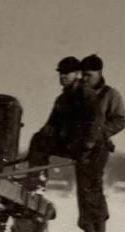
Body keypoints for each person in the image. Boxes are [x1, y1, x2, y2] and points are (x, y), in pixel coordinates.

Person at [74, 54, 125, 232]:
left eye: (88, 75)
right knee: (82, 189)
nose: (85, 79)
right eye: (83, 75)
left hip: (98, 148)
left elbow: (120, 119)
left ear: (99, 73)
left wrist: (101, 132)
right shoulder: (80, 93)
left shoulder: (110, 95)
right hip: (81, 148)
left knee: (93, 188)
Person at [25, 56, 96, 193]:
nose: (62, 76)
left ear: (77, 74)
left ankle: (37, 179)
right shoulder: (62, 99)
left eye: (66, 73)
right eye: (60, 73)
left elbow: (95, 119)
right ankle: (37, 179)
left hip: (83, 144)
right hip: (68, 141)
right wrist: (39, 143)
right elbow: (51, 124)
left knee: (89, 190)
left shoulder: (86, 94)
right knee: (38, 139)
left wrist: (89, 143)